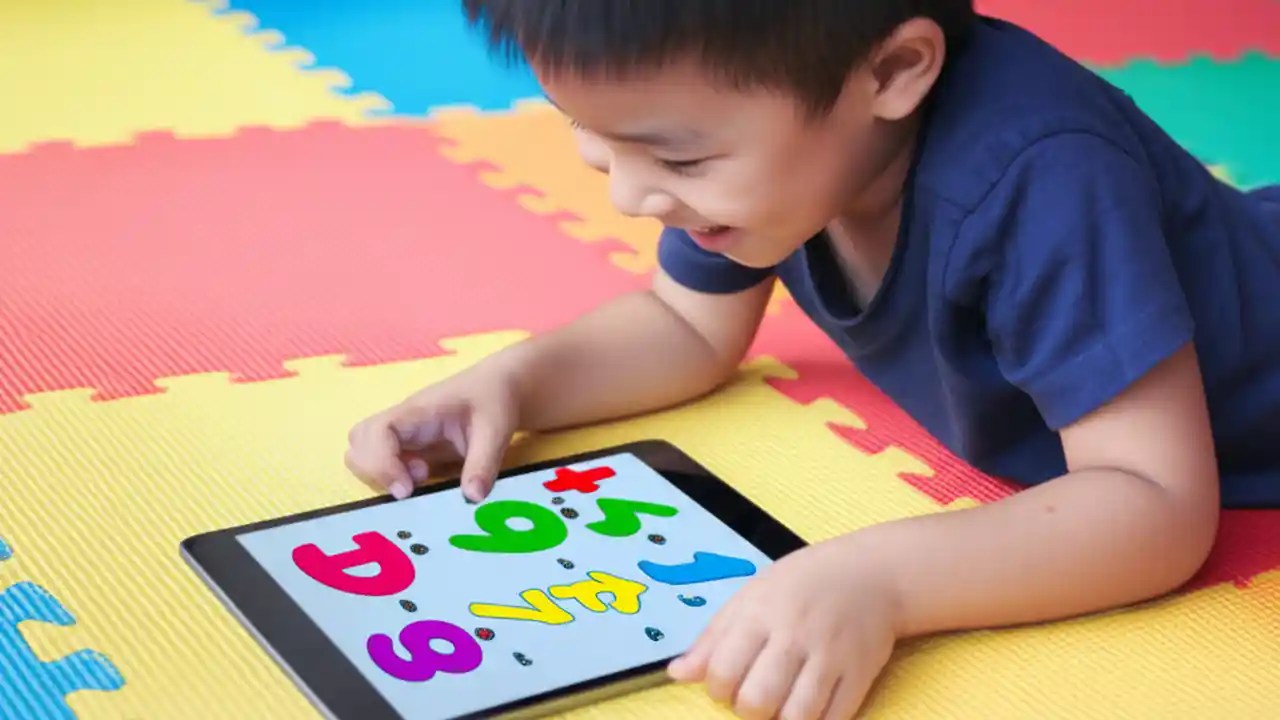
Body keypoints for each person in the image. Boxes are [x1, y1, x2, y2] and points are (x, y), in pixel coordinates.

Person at [345, 2, 1280, 717]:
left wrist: (877, 580)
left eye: (678, 158)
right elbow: (687, 327)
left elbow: (1154, 506)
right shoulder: (806, 143)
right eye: (587, 134)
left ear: (894, 72)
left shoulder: (1040, 172)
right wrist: (516, 383)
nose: (629, 194)